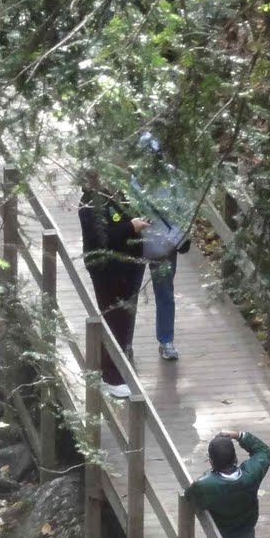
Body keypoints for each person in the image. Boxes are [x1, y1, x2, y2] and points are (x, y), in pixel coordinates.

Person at [77, 177, 148, 398]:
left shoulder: (116, 196)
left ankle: (115, 367)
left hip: (128, 267)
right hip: (107, 270)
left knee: (124, 319)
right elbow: (102, 238)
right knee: (114, 319)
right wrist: (131, 226)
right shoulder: (90, 204)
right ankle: (111, 378)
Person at [185, 429, 270, 538]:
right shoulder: (251, 476)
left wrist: (208, 475)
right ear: (235, 459)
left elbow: (190, 498)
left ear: (211, 461)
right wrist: (238, 435)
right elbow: (263, 451)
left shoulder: (205, 486)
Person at [132, 132, 192, 361]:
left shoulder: (174, 181)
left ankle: (166, 340)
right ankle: (125, 342)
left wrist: (173, 237)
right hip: (136, 246)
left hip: (164, 247)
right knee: (130, 295)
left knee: (165, 293)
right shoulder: (131, 182)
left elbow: (185, 211)